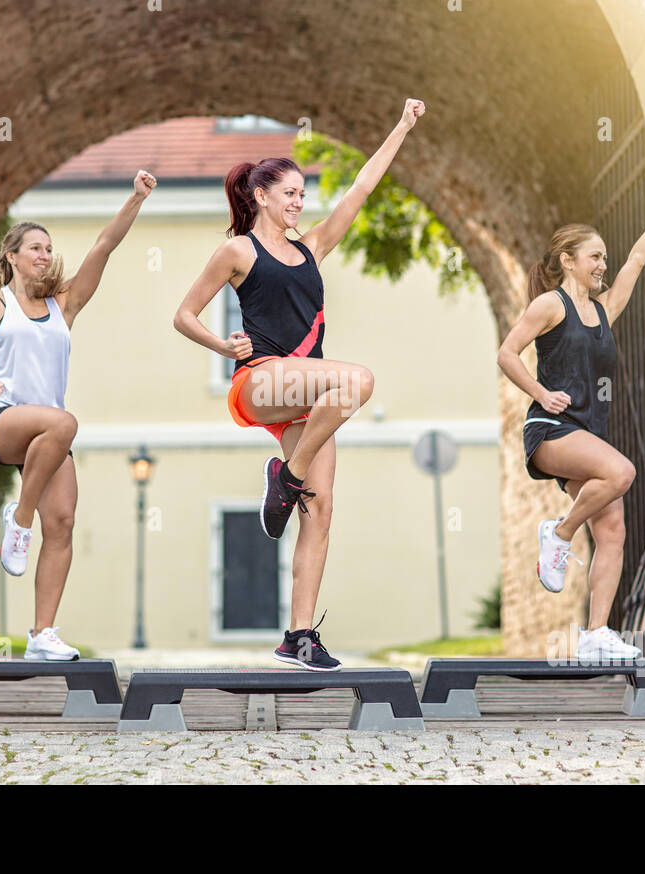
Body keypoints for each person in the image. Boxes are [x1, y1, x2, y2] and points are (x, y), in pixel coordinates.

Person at [173, 99, 427, 671]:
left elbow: (361, 189)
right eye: (289, 193)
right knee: (357, 381)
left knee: (322, 509)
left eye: (302, 194)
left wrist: (401, 127)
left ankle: (299, 636)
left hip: (309, 400)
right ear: (261, 196)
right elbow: (184, 314)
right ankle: (283, 479)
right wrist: (222, 346)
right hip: (261, 381)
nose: (298, 202)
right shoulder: (239, 250)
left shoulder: (311, 247)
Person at [0, 170, 157, 660]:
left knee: (64, 523)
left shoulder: (64, 305)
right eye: (34, 247)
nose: (44, 254)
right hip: (3, 420)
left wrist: (135, 199)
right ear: (11, 256)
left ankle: (41, 636)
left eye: (48, 248)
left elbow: (104, 245)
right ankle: (20, 518)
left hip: (49, 439)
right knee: (65, 422)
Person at [497, 187, 645, 660]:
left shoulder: (604, 310)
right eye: (595, 256)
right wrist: (540, 393)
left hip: (587, 434)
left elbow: (637, 262)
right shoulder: (550, 305)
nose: (603, 264)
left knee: (613, 527)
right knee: (621, 473)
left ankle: (596, 634)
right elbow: (507, 354)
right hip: (551, 430)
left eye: (604, 257)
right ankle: (558, 534)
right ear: (568, 259)